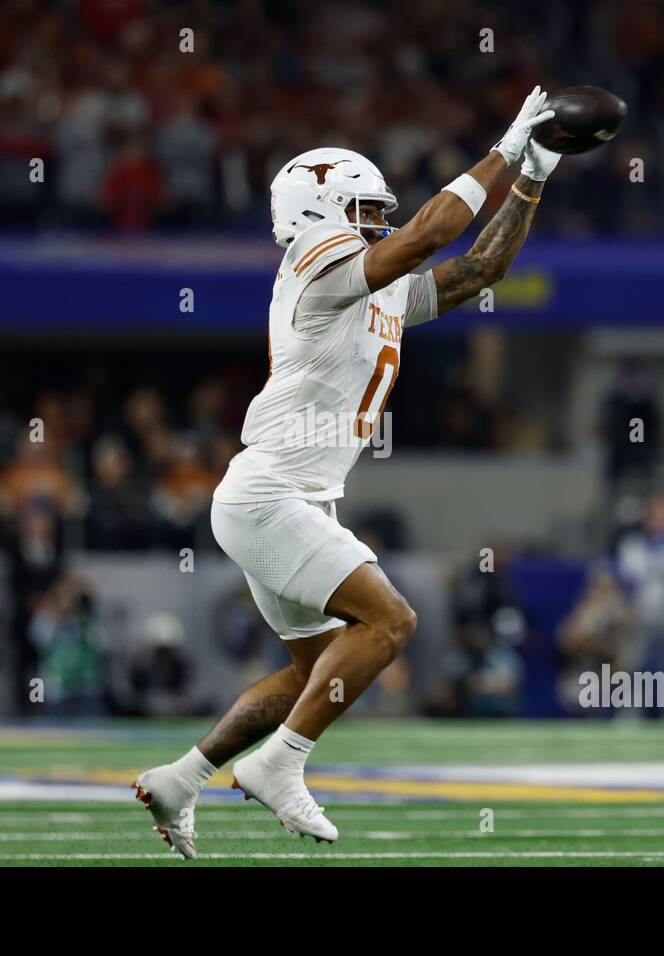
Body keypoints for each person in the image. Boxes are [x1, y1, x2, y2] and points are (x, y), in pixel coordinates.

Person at [134, 87, 566, 858]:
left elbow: (477, 269)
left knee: (314, 673)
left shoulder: (372, 282)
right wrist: (503, 148)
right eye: (365, 210)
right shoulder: (314, 263)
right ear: (316, 213)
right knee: (392, 622)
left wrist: (533, 174)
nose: (379, 223)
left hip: (291, 497)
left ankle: (184, 776)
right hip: (271, 493)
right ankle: (278, 765)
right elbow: (435, 229)